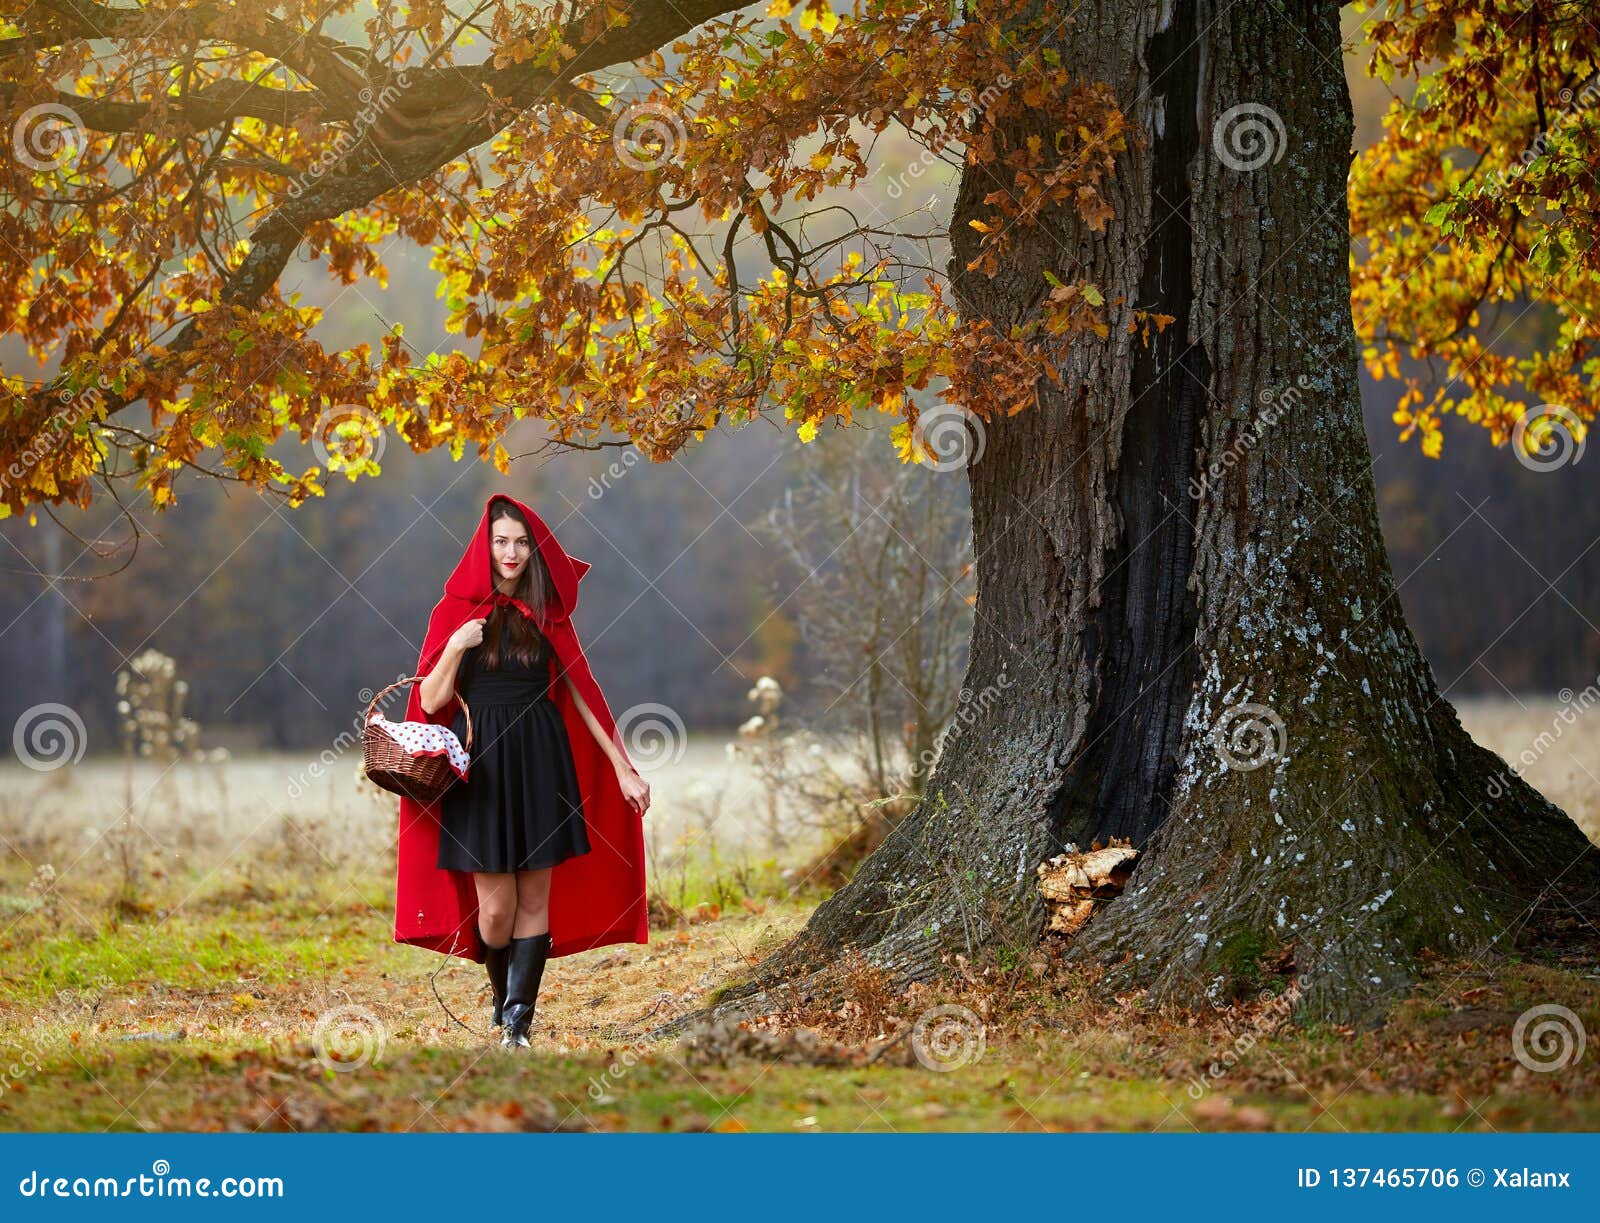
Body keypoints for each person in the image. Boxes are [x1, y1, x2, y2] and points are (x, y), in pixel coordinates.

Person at [394, 494, 650, 1048]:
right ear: (484, 547)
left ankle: (517, 1024)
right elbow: (432, 698)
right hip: (481, 767)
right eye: (501, 542)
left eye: (521, 542)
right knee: (495, 913)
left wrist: (623, 768)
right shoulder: (454, 613)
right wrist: (456, 646)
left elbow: (584, 695)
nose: (511, 552)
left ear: (534, 550)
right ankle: (501, 996)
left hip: (540, 761)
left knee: (535, 899)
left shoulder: (549, 614)